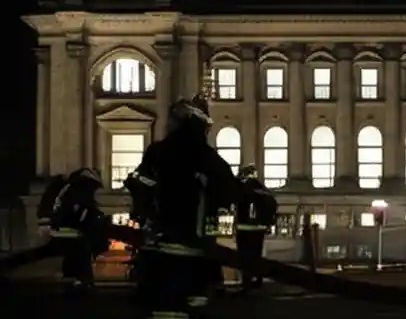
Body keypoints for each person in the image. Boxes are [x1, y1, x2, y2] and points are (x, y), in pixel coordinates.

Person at [125, 95, 238, 318]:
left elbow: (137, 184)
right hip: (195, 250)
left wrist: (145, 218)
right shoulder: (209, 159)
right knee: (193, 303)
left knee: (164, 306)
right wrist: (212, 233)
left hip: (161, 244)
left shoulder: (157, 152)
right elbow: (229, 193)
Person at [48, 167, 107, 294]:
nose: (93, 190)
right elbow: (79, 211)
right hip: (70, 229)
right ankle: (82, 278)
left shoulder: (70, 191)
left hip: (69, 228)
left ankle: (77, 277)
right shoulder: (75, 193)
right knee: (82, 250)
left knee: (81, 249)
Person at [233, 165, 277, 289]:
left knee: (244, 256)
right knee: (256, 254)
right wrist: (268, 222)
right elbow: (272, 204)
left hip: (243, 227)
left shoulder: (242, 188)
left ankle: (246, 281)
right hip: (258, 228)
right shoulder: (263, 190)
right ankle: (257, 278)